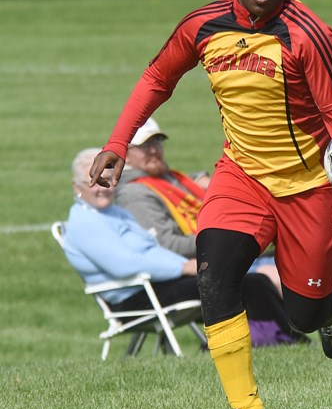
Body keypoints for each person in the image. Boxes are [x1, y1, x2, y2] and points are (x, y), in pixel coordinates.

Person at [87, 0, 332, 409]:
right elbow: (156, 78)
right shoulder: (203, 25)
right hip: (242, 177)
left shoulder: (309, 34)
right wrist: (117, 143)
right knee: (214, 273)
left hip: (310, 185)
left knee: (304, 315)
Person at [63, 148, 303, 349]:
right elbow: (126, 264)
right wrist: (184, 266)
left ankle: (268, 339)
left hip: (156, 284)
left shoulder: (112, 213)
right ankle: (283, 340)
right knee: (248, 282)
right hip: (137, 296)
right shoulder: (84, 222)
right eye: (94, 182)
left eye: (107, 180)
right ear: (77, 187)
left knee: (247, 279)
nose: (102, 188)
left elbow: (150, 252)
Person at [115, 116, 282, 294]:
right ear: (125, 153)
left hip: (228, 254)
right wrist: (225, 238)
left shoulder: (171, 179)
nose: (154, 150)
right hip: (205, 266)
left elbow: (193, 182)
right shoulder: (135, 193)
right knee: (279, 278)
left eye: (157, 142)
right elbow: (167, 245)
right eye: (144, 146)